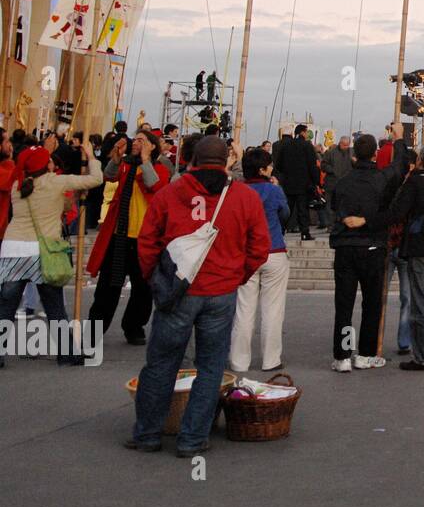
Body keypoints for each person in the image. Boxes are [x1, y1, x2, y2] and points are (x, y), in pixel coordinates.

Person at [127, 136, 269, 456]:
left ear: (192, 160)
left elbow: (147, 240)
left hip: (178, 290)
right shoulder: (244, 197)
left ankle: (148, 433)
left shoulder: (172, 191)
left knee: (161, 363)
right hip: (221, 291)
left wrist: (155, 279)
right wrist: (237, 276)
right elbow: (259, 248)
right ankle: (192, 438)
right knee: (211, 367)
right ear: (227, 161)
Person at [343, 143, 424, 371]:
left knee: (420, 302)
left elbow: (396, 214)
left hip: (419, 248)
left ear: (421, 160)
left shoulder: (416, 183)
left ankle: (423, 356)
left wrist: (367, 221)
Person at [0, 145, 102, 367]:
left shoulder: (18, 184)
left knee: (5, 307)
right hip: (42, 252)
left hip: (12, 250)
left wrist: (69, 199)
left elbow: (52, 205)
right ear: (46, 164)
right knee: (55, 307)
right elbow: (96, 179)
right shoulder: (57, 182)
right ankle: (67, 354)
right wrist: (92, 157)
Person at [87, 129, 171, 345]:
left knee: (143, 288)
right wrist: (115, 159)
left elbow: (155, 185)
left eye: (142, 141)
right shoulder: (126, 165)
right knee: (108, 286)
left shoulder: (160, 168)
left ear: (153, 146)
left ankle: (134, 327)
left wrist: (144, 160)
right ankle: (94, 330)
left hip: (144, 238)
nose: (136, 143)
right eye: (136, 140)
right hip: (120, 235)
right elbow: (109, 174)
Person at [327, 133, 392, 372]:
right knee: (372, 303)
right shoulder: (382, 181)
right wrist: (367, 220)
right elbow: (389, 213)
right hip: (372, 245)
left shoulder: (343, 182)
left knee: (344, 304)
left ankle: (343, 355)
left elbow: (335, 207)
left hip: (345, 246)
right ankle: (365, 353)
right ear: (375, 153)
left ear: (354, 154)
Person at [230, 147, 291, 373]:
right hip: (273, 249)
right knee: (272, 309)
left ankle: (239, 359)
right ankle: (270, 359)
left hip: (245, 253)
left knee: (244, 309)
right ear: (263, 169)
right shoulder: (273, 190)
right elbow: (285, 214)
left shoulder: (236, 191)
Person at [275, 123, 320, 241]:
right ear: (303, 132)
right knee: (302, 209)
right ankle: (305, 233)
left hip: (288, 182)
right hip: (303, 183)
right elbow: (312, 165)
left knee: (287, 208)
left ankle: (280, 232)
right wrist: (316, 181)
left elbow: (278, 164)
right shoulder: (307, 146)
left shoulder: (285, 146)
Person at [319, 134, 352, 229]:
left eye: (347, 145)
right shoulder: (331, 152)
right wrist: (332, 170)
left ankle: (343, 224)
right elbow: (323, 165)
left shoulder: (352, 152)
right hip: (332, 183)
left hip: (346, 183)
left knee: (344, 205)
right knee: (330, 205)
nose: (346, 147)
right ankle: (331, 225)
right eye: (344, 145)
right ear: (340, 143)